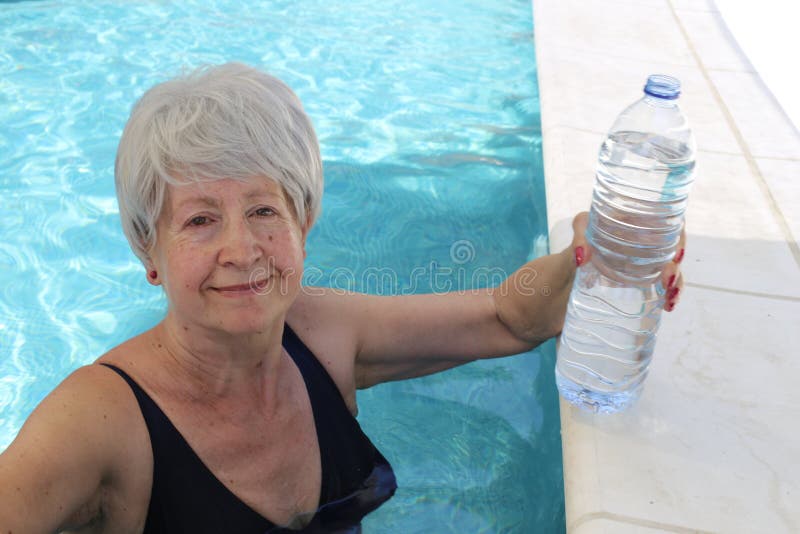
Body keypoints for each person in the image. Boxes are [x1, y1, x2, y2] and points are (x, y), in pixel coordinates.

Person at [0, 63, 686, 533]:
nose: (241, 249)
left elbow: (510, 318)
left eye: (265, 211)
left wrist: (589, 252)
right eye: (201, 219)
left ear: (303, 222)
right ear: (148, 253)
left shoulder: (322, 335)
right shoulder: (100, 420)